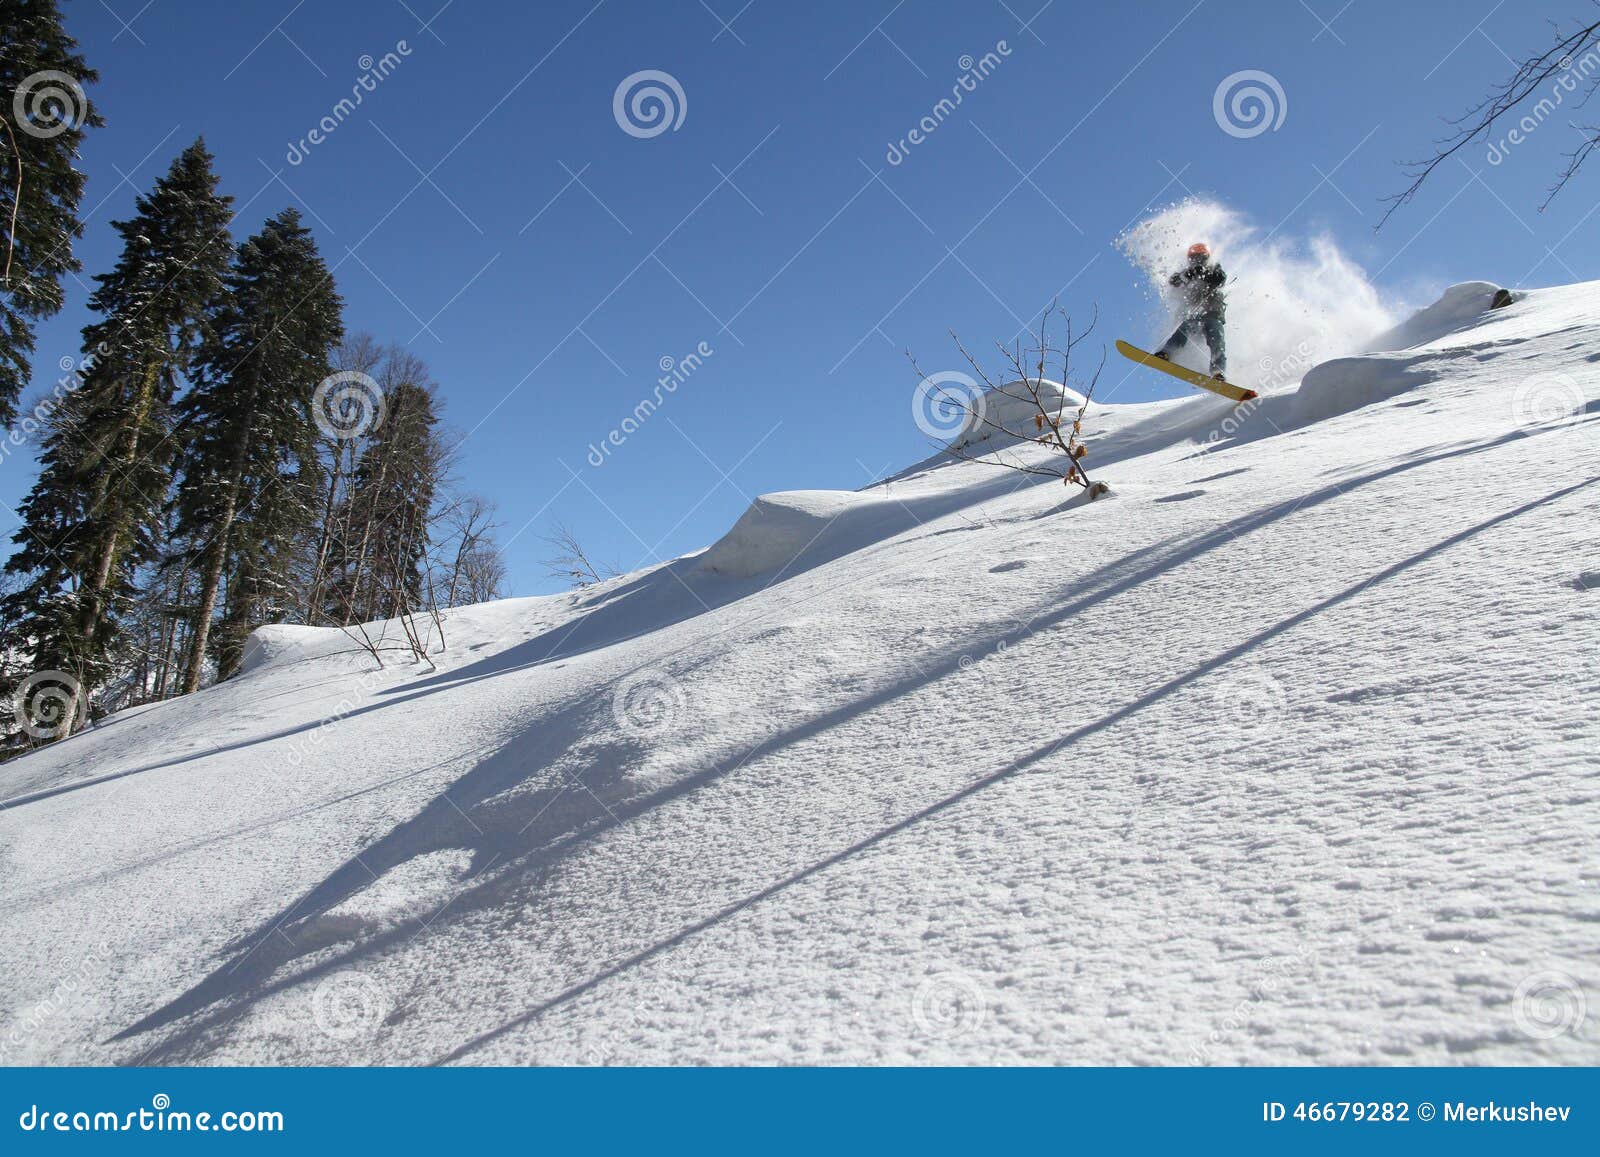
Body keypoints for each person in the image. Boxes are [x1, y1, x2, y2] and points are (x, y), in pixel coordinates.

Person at [1154, 242, 1228, 380]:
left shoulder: (1214, 269)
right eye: (1194, 258)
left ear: (1206, 258)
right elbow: (1174, 281)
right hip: (1196, 315)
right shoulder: (1187, 273)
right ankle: (1167, 352)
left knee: (1217, 338)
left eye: (1201, 258)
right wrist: (1189, 274)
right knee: (1186, 326)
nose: (1197, 261)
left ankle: (1218, 372)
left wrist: (1205, 272)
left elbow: (1221, 278)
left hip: (1213, 315)